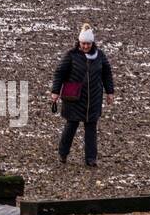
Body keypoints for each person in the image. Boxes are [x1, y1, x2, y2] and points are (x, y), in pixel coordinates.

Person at [49, 22, 115, 167]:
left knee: (91, 128)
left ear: (92, 43)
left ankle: (91, 159)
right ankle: (63, 153)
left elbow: (107, 74)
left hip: (94, 98)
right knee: (71, 126)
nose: (86, 46)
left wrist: (110, 92)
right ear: (79, 42)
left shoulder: (100, 56)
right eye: (83, 43)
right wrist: (55, 92)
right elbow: (59, 73)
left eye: (88, 44)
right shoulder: (71, 55)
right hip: (74, 98)